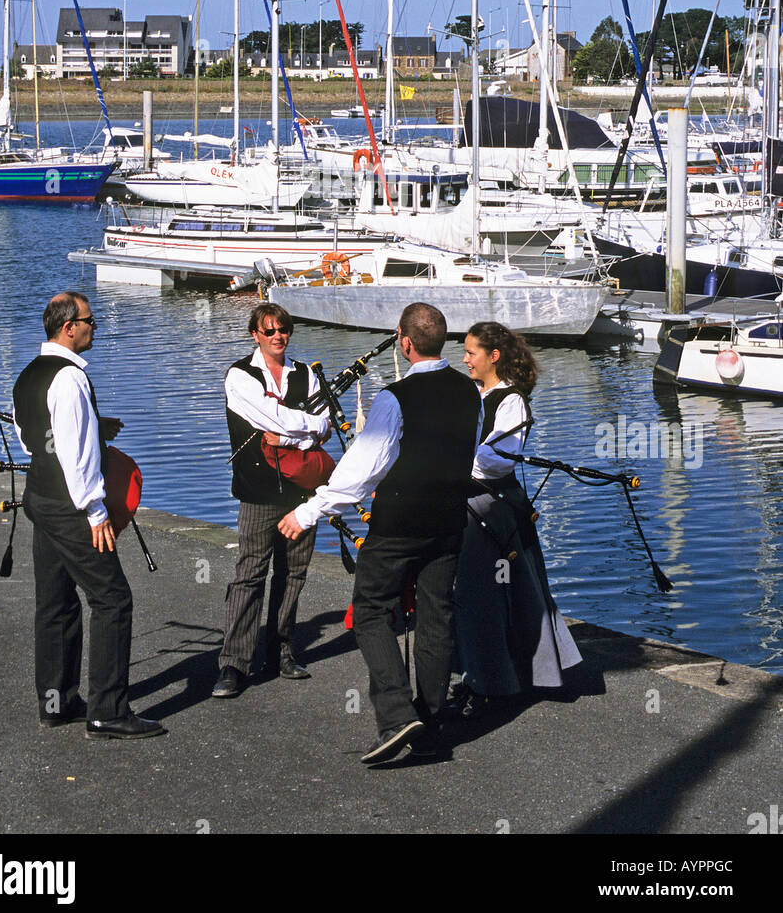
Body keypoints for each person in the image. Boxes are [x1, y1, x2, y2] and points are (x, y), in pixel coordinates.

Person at [279, 302, 482, 765]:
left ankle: (396, 714)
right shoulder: (471, 392)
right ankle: (431, 723)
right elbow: (469, 455)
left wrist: (309, 512)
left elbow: (361, 472)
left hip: (400, 523)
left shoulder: (395, 397)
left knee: (370, 611)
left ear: (403, 341)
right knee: (436, 616)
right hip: (450, 520)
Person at [13, 291, 164, 740]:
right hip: (74, 509)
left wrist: (95, 427)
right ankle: (108, 711)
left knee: (56, 602)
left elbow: (32, 439)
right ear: (69, 328)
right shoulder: (71, 379)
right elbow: (77, 459)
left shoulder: (29, 375)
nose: (94, 326)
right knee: (112, 599)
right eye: (89, 320)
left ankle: (56, 703)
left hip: (40, 500)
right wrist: (97, 512)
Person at [451, 320, 581, 717]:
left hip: (495, 507)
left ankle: (498, 681)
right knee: (475, 595)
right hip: (466, 503)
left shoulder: (510, 401)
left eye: (471, 352)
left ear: (494, 356)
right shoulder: (469, 393)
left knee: (496, 594)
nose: (465, 358)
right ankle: (485, 675)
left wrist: (448, 463)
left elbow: (493, 461)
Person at [212, 303, 331, 698]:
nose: (278, 336)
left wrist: (292, 434)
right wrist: (304, 427)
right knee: (249, 574)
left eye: (283, 330)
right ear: (255, 335)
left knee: (293, 574)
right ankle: (233, 663)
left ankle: (280, 651)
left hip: (302, 492)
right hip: (258, 491)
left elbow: (326, 424)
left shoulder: (307, 374)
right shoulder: (239, 375)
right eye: (269, 331)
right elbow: (268, 419)